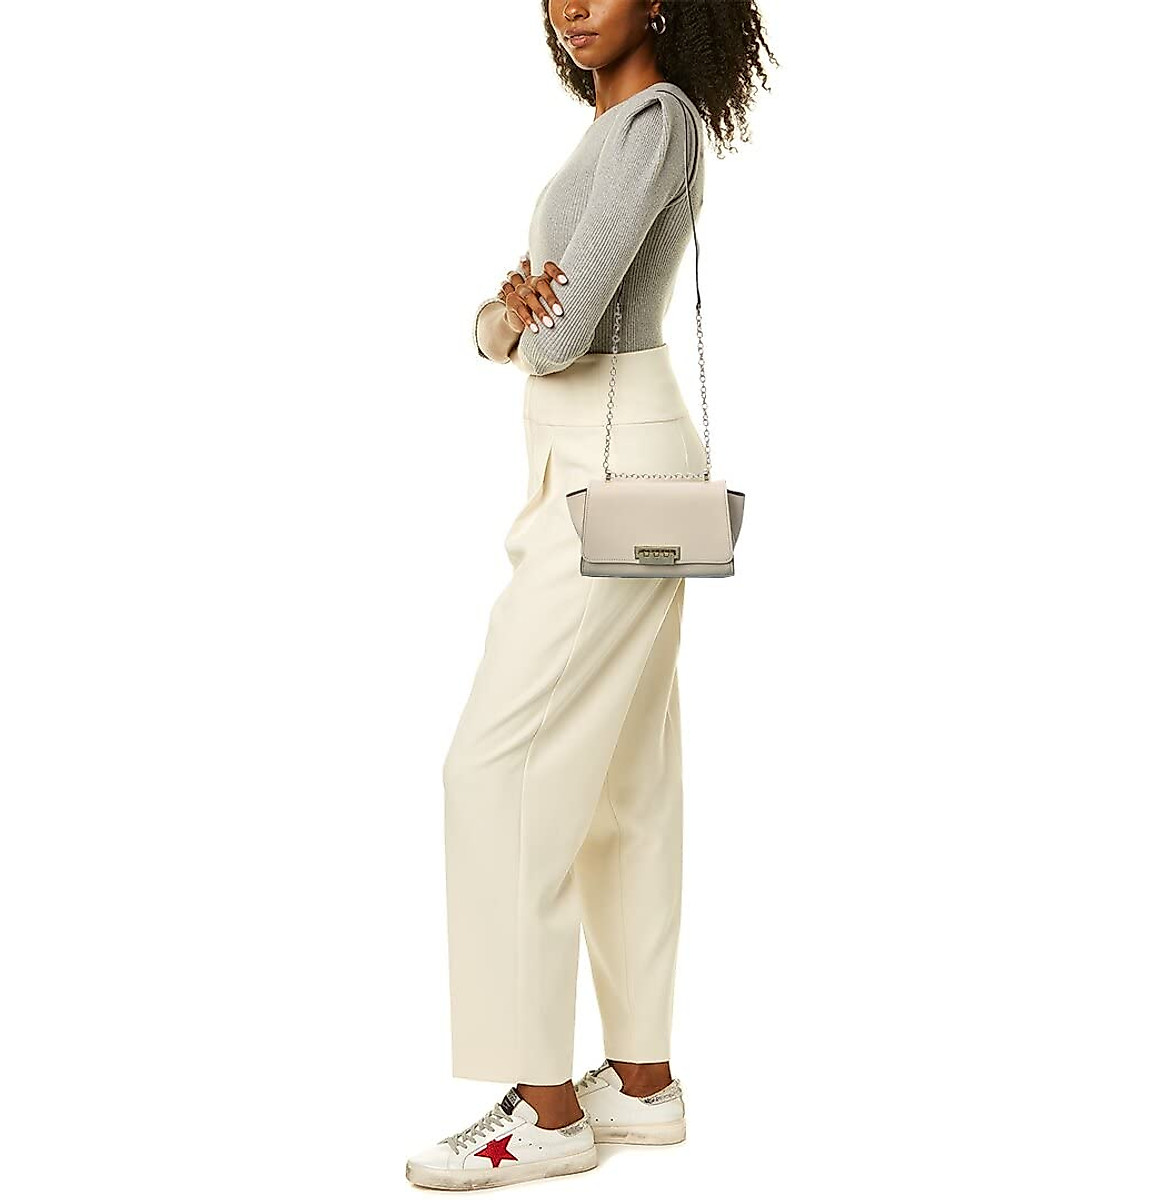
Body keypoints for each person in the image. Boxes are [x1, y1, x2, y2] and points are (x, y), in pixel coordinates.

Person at [407, 2, 776, 1190]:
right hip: (598, 457)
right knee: (624, 780)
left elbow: (556, 333)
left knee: (496, 767)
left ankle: (546, 1107)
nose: (573, 6)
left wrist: (515, 321)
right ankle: (642, 1082)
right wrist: (507, 321)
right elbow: (512, 323)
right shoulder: (612, 130)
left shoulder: (656, 122)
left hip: (609, 462)